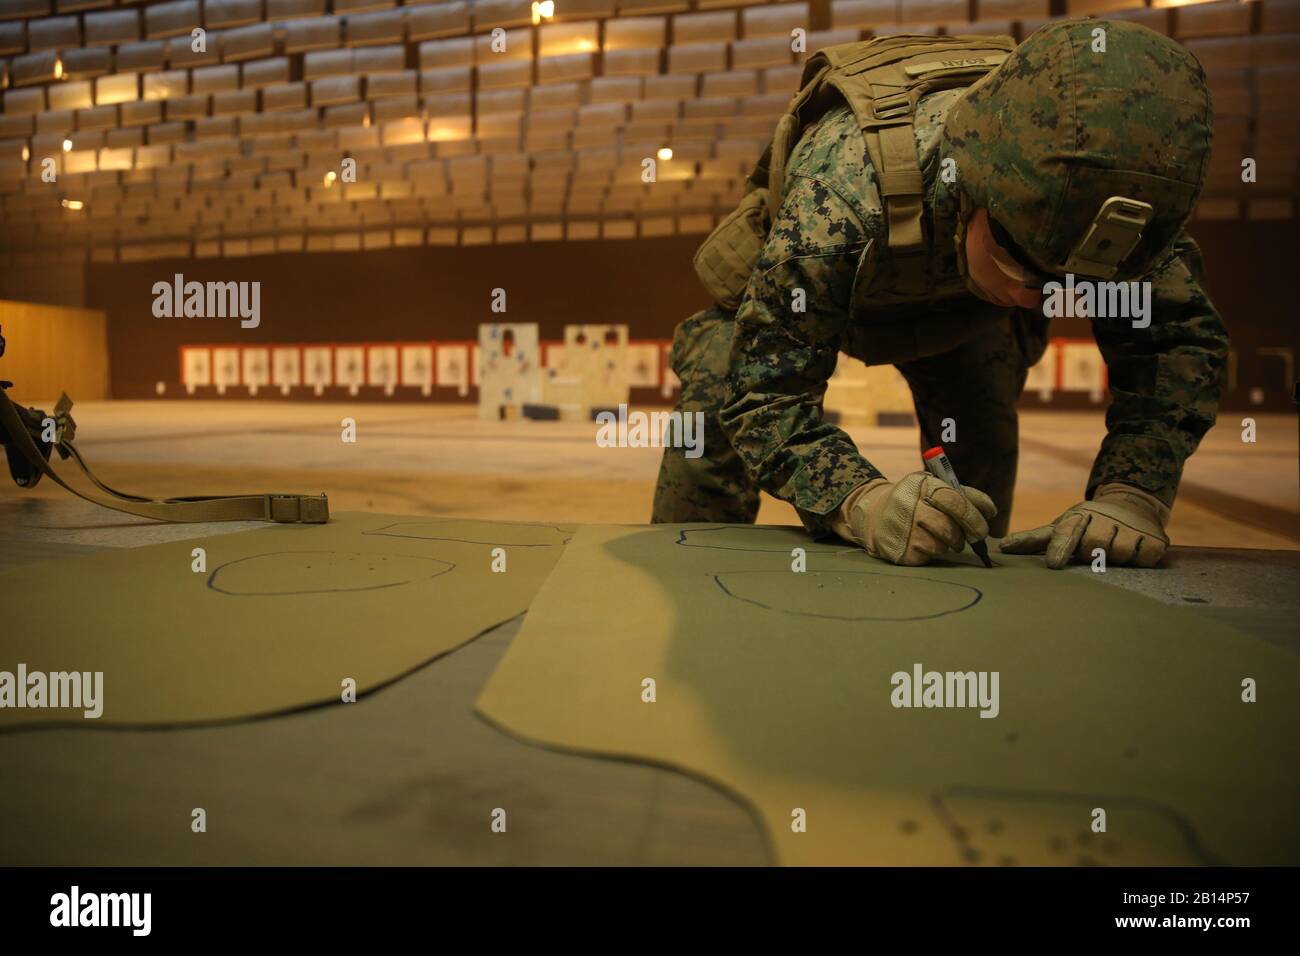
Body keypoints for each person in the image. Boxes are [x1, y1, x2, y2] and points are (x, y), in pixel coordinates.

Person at [651, 18, 1227, 570]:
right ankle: (689, 561)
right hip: (821, 290)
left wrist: (1132, 493)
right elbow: (766, 394)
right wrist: (859, 500)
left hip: (962, 312)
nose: (1036, 301)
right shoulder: (843, 187)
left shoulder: (1118, 198)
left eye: (1068, 289)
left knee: (981, 446)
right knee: (712, 413)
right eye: (1022, 269)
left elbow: (1175, 346)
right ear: (971, 190)